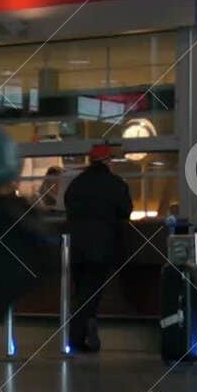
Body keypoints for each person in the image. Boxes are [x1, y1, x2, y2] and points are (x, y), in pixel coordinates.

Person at [63, 145, 132, 353]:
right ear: (107, 161)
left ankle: (85, 335)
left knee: (82, 291)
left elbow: (68, 208)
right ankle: (76, 337)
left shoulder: (76, 184)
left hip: (75, 247)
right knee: (91, 293)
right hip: (102, 246)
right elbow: (126, 210)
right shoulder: (115, 183)